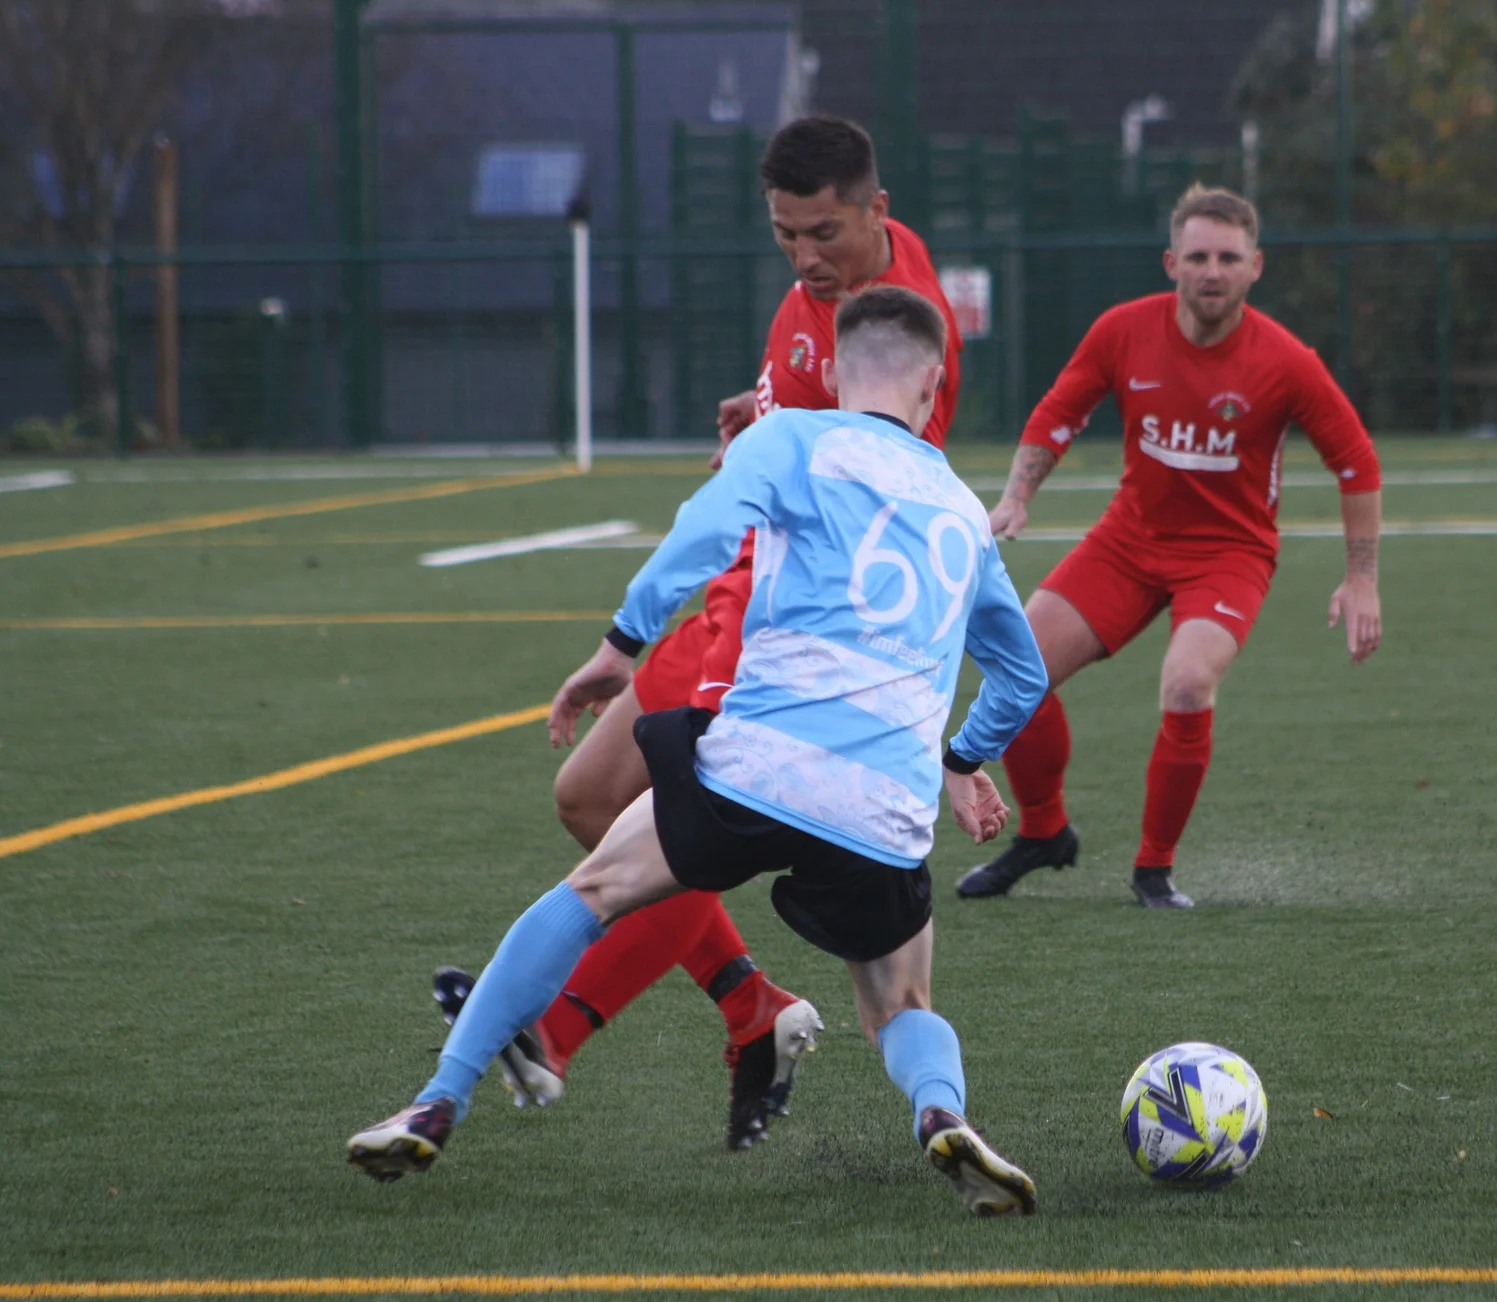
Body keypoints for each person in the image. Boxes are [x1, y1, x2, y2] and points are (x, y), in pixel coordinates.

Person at [350, 287, 1049, 1217]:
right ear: (936, 382)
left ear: (836, 371)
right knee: (902, 1002)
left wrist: (620, 644)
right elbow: (1022, 675)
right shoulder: (965, 512)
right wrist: (964, 755)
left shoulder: (792, 436)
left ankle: (441, 1096)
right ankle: (938, 1113)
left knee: (594, 889)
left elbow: (705, 533)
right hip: (883, 802)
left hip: (755, 765)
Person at [436, 115, 964, 1150]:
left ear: (877, 215)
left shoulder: (906, 329)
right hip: (744, 592)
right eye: (784, 236)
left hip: (775, 630)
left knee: (634, 816)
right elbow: (810, 405)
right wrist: (766, 408)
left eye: (824, 234)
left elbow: (876, 496)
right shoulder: (842, 289)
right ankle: (744, 1009)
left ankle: (564, 1025)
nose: (806, 258)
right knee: (591, 798)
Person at [957, 184, 1384, 910]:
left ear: (1256, 267)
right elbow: (1062, 409)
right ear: (1170, 263)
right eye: (1197, 256)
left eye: (1227, 257)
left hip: (1229, 553)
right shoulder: (1124, 331)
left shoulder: (1287, 361)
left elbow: (1356, 462)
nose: (1211, 271)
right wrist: (1017, 495)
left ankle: (1154, 869)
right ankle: (1043, 832)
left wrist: (1361, 578)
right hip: (1129, 539)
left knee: (1188, 682)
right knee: (1016, 669)